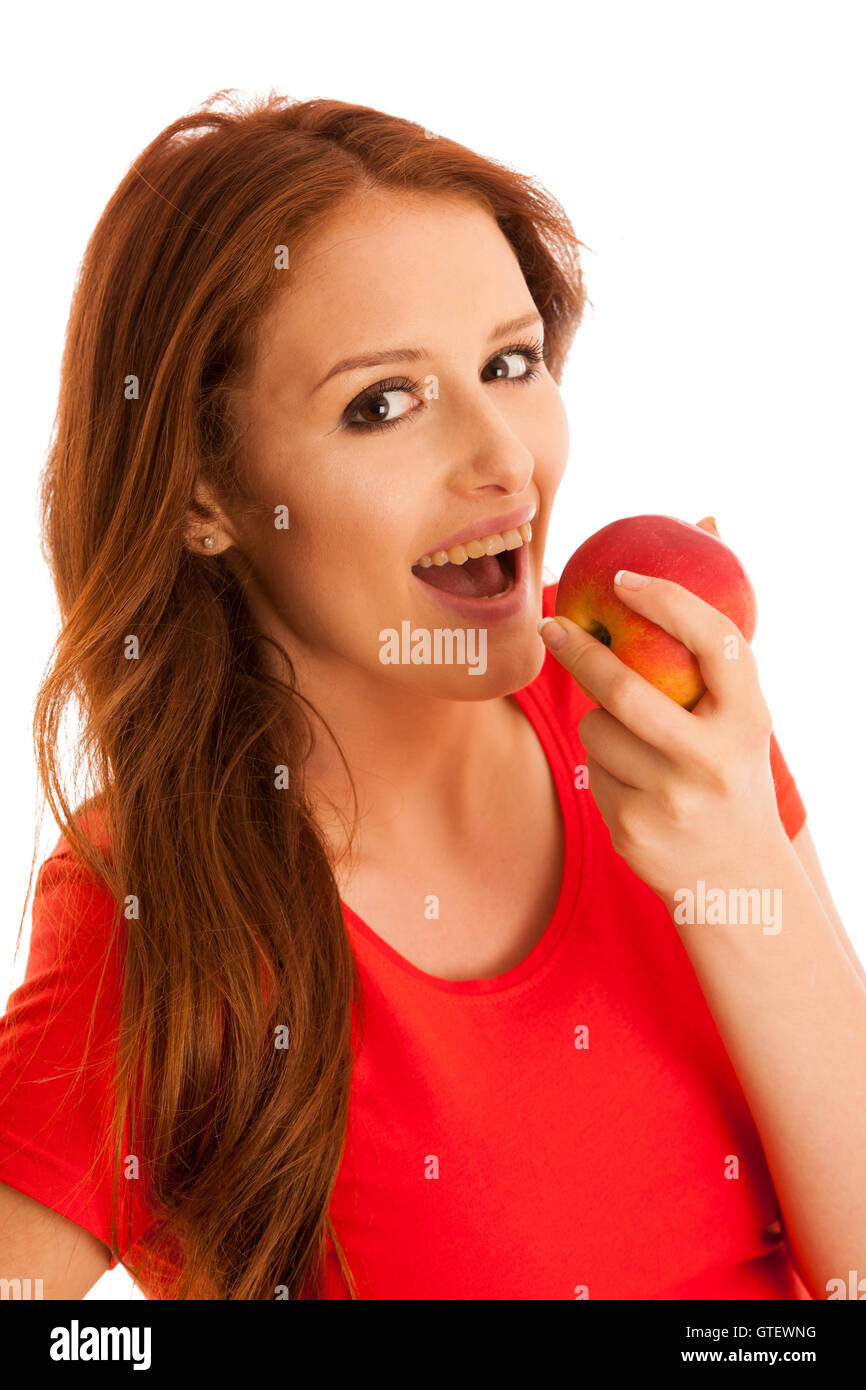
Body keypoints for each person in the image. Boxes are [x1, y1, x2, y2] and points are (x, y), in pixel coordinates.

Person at [1, 91, 864, 1301]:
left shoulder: (651, 719)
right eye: (381, 403)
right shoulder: (158, 902)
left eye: (507, 364)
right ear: (204, 495)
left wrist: (742, 872)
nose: (503, 458)